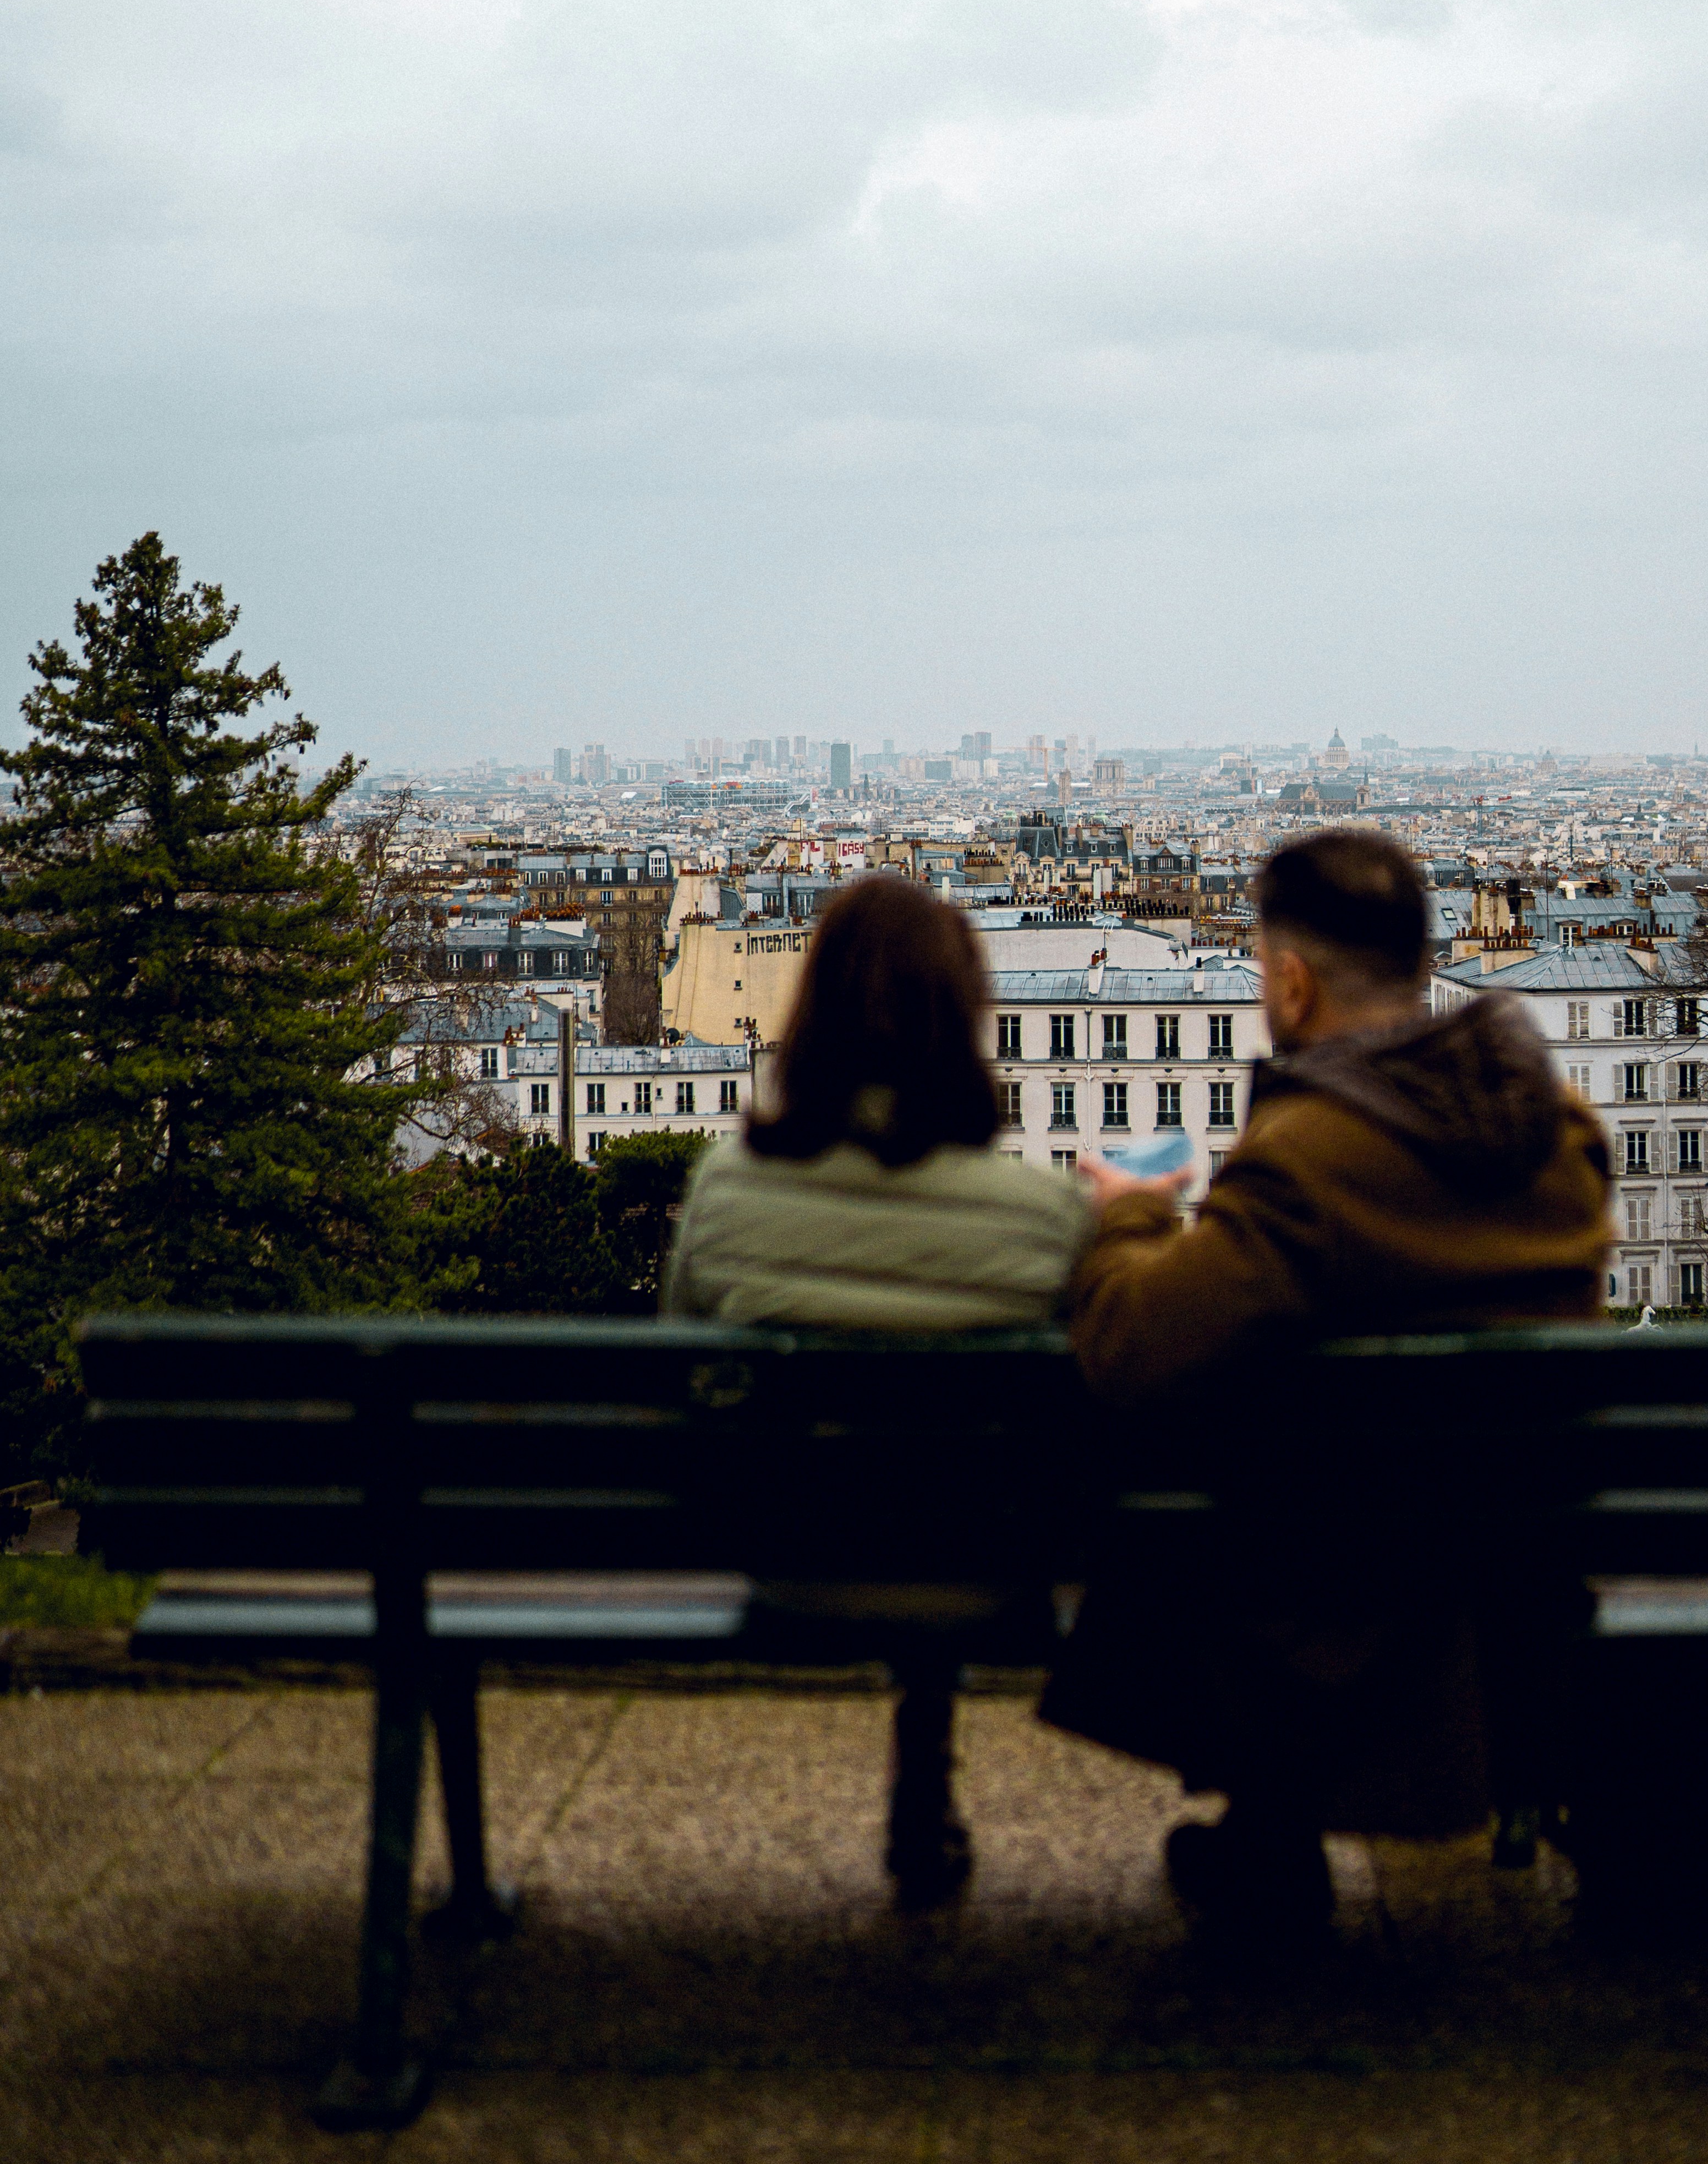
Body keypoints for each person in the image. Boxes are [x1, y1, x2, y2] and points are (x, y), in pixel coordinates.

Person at [1042, 827, 1612, 1958]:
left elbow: (1133, 1351)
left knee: (1234, 1508)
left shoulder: (1306, 1155)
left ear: (1290, 981)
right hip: (1526, 1580)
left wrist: (1133, 1216)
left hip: (1343, 1594)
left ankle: (1270, 1839)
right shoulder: (1558, 1136)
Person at [663, 871, 1090, 1901]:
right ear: (964, 1024)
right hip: (993, 1566)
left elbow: (680, 1376)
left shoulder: (725, 1193)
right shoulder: (1047, 1215)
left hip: (794, 1559)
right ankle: (927, 1769)